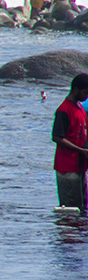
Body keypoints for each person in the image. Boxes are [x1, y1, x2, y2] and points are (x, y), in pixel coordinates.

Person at [52, 73, 88, 211]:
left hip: (80, 165)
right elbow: (56, 137)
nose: (86, 96)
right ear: (76, 89)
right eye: (85, 92)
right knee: (71, 208)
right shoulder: (64, 110)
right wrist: (80, 150)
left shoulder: (79, 108)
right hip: (67, 167)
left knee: (82, 206)